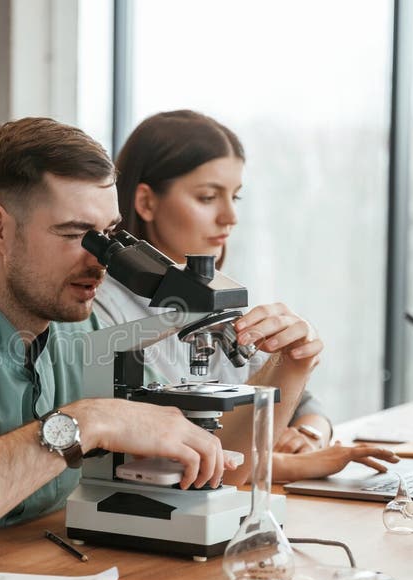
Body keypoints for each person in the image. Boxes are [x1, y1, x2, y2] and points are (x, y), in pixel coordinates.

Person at [0, 117, 396, 580]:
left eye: (108, 237)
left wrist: (290, 367)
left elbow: (222, 461)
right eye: (76, 235)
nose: (98, 261)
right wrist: (85, 421)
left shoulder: (76, 331)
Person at [97, 110, 388, 483]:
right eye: (207, 197)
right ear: (146, 202)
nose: (230, 217)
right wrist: (296, 465)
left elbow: (304, 405)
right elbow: (160, 456)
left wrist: (309, 436)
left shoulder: (215, 296)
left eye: (235, 197)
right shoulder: (104, 310)